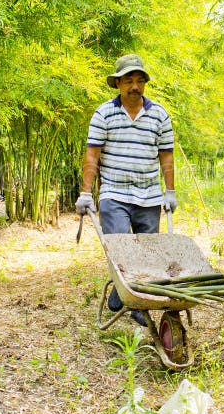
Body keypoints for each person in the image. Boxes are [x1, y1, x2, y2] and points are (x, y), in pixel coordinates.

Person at [75, 53, 178, 326]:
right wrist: (86, 193)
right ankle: (124, 292)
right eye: (128, 80)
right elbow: (92, 156)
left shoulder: (159, 115)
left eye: (139, 80)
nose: (135, 86)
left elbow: (166, 156)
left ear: (145, 83)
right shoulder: (104, 114)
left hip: (149, 194)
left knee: (147, 253)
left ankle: (134, 302)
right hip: (114, 193)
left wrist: (170, 191)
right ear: (118, 83)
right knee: (120, 247)